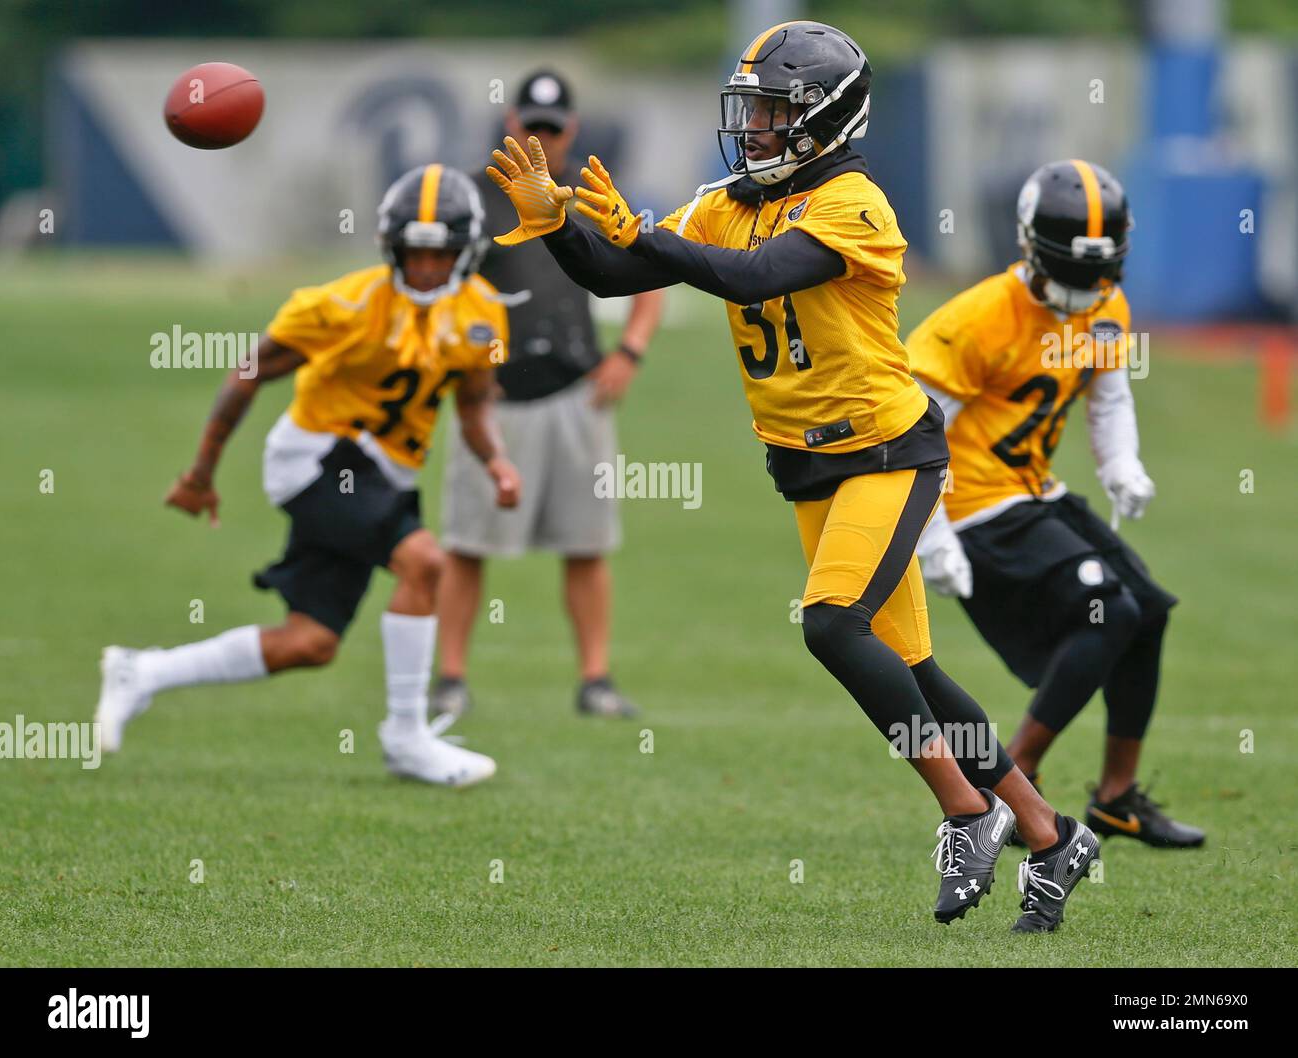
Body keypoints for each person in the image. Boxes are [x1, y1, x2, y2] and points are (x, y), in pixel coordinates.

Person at [486, 21, 1100, 931]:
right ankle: (1052, 837)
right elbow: (616, 275)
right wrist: (560, 228)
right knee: (914, 670)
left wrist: (648, 237)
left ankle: (970, 812)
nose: (758, 127)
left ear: (826, 117)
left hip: (886, 451)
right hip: (808, 463)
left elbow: (751, 278)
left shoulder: (855, 202)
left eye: (775, 111)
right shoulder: (729, 199)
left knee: (830, 627)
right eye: (754, 110)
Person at [93, 163, 520, 788]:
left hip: (385, 474)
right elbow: (248, 370)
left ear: (466, 253)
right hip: (316, 458)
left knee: (310, 643)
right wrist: (201, 471)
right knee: (426, 563)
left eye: (442, 254)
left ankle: (143, 672)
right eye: (414, 253)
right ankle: (406, 736)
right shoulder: (342, 305)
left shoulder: (484, 315)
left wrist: (497, 460)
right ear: (390, 248)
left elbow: (476, 400)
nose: (427, 268)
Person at [906, 159, 1205, 848]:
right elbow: (911, 433)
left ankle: (1115, 798)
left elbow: (1108, 395)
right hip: (976, 504)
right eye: (1069, 272)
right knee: (1110, 612)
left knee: (1149, 614)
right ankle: (1014, 781)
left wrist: (1122, 464)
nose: (1083, 291)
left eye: (1095, 275)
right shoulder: (978, 317)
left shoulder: (1105, 305)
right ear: (1030, 248)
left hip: (1036, 492)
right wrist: (931, 531)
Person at [433, 70, 664, 720]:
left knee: (587, 545)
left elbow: (652, 273)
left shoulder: (591, 197)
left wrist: (630, 352)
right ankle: (450, 677)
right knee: (468, 543)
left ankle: (595, 680)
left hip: (574, 393)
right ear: (510, 125)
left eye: (551, 128)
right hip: (492, 398)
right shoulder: (472, 199)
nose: (539, 138)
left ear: (570, 130)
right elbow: (436, 289)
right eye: (528, 126)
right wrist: (458, 370)